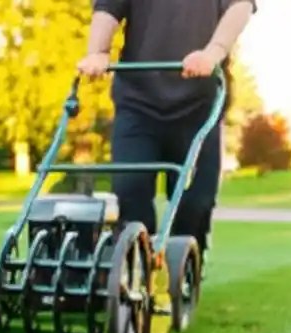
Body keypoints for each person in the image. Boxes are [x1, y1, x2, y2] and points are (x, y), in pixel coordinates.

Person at [79, 0, 257, 276]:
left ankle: (183, 272)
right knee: (129, 189)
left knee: (196, 201)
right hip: (138, 101)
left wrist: (212, 53)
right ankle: (137, 271)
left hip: (199, 104)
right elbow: (108, 7)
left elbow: (240, 7)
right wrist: (98, 52)